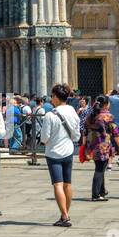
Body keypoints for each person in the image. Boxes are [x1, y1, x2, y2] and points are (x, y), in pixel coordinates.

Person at [36, 83, 81, 226]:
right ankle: (65, 215)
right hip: (68, 151)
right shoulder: (73, 111)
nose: (51, 98)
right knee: (68, 184)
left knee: (58, 185)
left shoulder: (50, 115)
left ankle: (65, 216)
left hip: (54, 153)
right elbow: (77, 134)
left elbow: (44, 138)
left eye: (52, 96)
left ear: (55, 97)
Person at [82, 94, 119, 201]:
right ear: (106, 104)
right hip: (103, 146)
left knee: (100, 167)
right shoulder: (108, 116)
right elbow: (116, 133)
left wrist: (84, 146)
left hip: (92, 145)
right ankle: (95, 194)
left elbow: (85, 131)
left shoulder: (90, 115)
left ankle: (102, 191)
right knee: (100, 169)